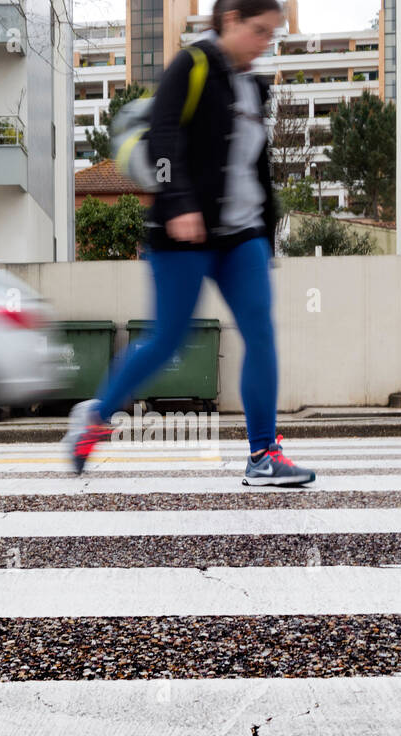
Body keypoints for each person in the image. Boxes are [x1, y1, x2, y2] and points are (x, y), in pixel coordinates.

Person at [63, 0, 315, 487]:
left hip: (242, 237)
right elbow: (162, 135)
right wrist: (178, 202)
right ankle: (94, 417)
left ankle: (264, 454)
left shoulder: (253, 87)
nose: (265, 44)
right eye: (259, 31)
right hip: (185, 233)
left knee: (260, 333)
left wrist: (267, 235)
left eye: (272, 35)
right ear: (230, 21)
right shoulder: (192, 65)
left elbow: (256, 171)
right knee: (166, 341)